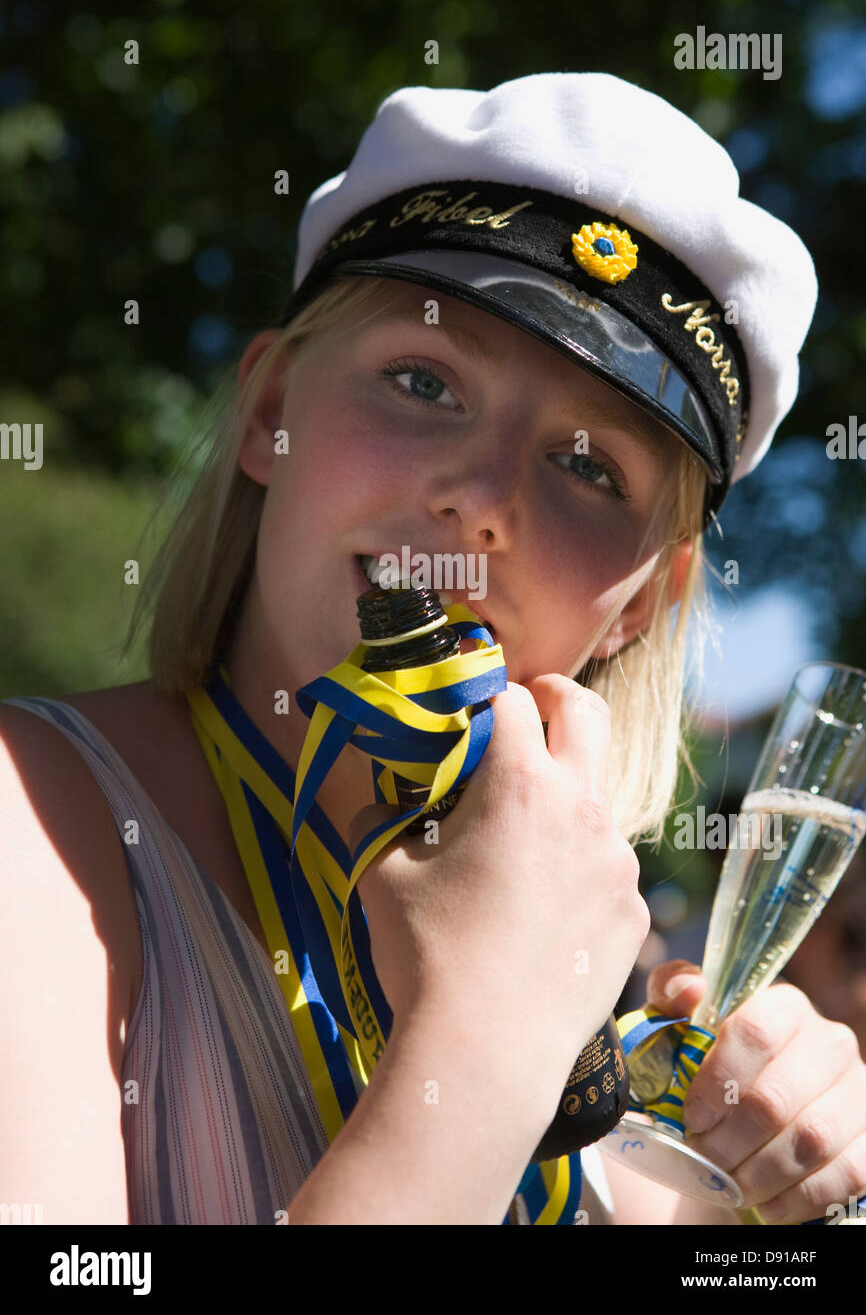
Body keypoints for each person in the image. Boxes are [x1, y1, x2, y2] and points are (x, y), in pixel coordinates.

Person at [2, 72, 864, 1227]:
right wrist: (487, 1033)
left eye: (585, 466)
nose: (479, 499)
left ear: (640, 606)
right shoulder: (25, 827)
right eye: (422, 381)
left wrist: (774, 1204)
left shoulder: (613, 1030)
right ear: (268, 413)